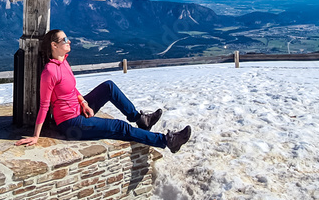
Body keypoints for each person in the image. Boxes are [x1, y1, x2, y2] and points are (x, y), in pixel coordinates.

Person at [16, 29, 192, 152]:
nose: (69, 41)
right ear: (54, 45)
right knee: (118, 127)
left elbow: (72, 88)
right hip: (70, 124)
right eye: (64, 40)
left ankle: (140, 119)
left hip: (78, 109)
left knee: (109, 86)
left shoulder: (64, 62)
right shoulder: (49, 72)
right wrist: (35, 136)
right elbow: (45, 105)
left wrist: (83, 102)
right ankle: (167, 141)